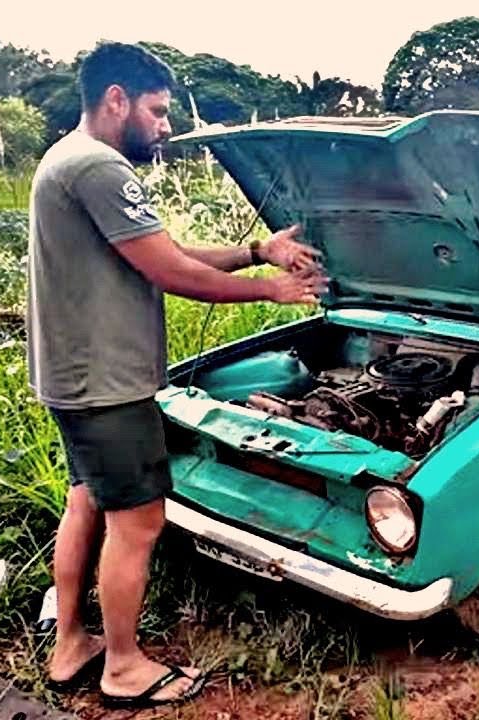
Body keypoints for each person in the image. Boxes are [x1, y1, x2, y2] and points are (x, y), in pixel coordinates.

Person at [25, 41, 325, 709]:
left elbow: (163, 250)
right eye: (158, 112)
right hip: (106, 384)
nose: (165, 127)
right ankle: (123, 666)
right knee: (138, 522)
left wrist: (256, 250)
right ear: (116, 101)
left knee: (86, 502)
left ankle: (72, 641)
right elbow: (175, 273)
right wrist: (270, 291)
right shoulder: (100, 168)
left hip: (73, 380)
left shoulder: (66, 160)